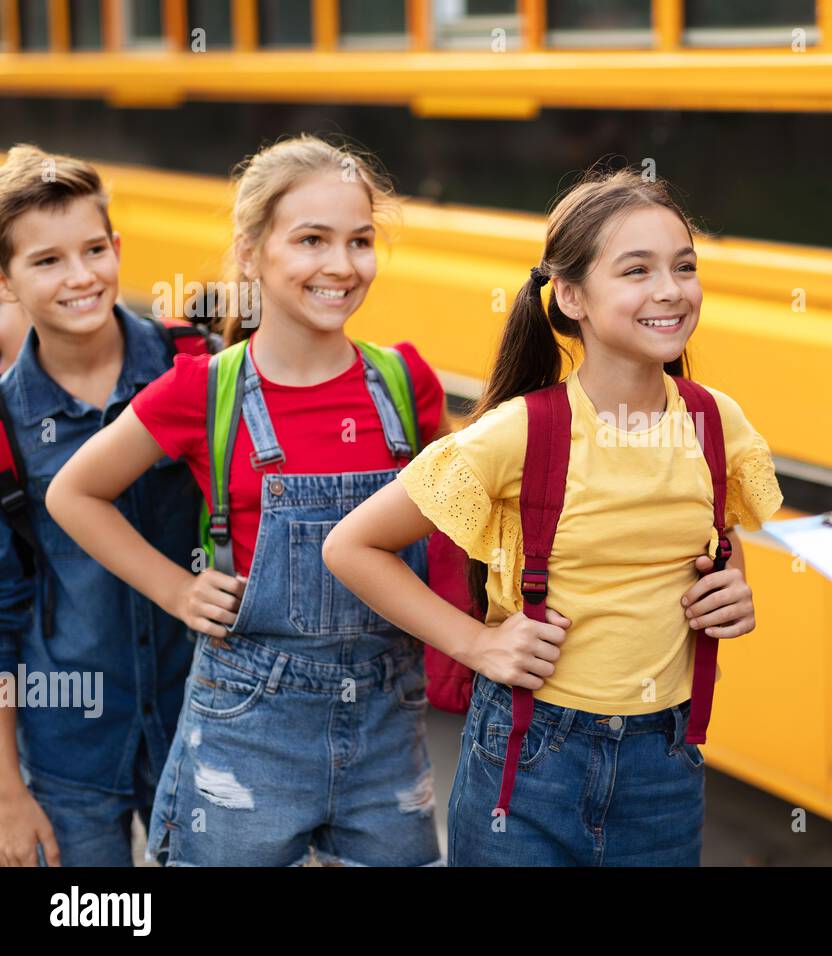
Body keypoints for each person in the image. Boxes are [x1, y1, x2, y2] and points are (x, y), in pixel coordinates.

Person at [323, 167, 783, 866]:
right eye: (636, 270)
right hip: (532, 756)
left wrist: (732, 589)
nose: (670, 289)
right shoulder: (520, 433)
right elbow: (353, 546)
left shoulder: (717, 423)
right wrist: (477, 646)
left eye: (683, 267)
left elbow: (715, 543)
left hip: (666, 764)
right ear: (571, 297)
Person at [47, 135, 451, 866]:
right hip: (245, 734)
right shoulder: (202, 390)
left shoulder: (403, 384)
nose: (341, 264)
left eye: (360, 241)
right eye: (311, 240)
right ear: (250, 251)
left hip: (388, 732)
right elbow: (74, 493)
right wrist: (175, 588)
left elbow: (456, 523)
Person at [0, 145, 203, 866]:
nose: (81, 277)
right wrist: (6, 793)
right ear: (6, 280)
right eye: (47, 261)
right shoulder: (5, 425)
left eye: (94, 250)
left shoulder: (193, 372)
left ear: (118, 249)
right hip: (70, 750)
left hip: (204, 725)